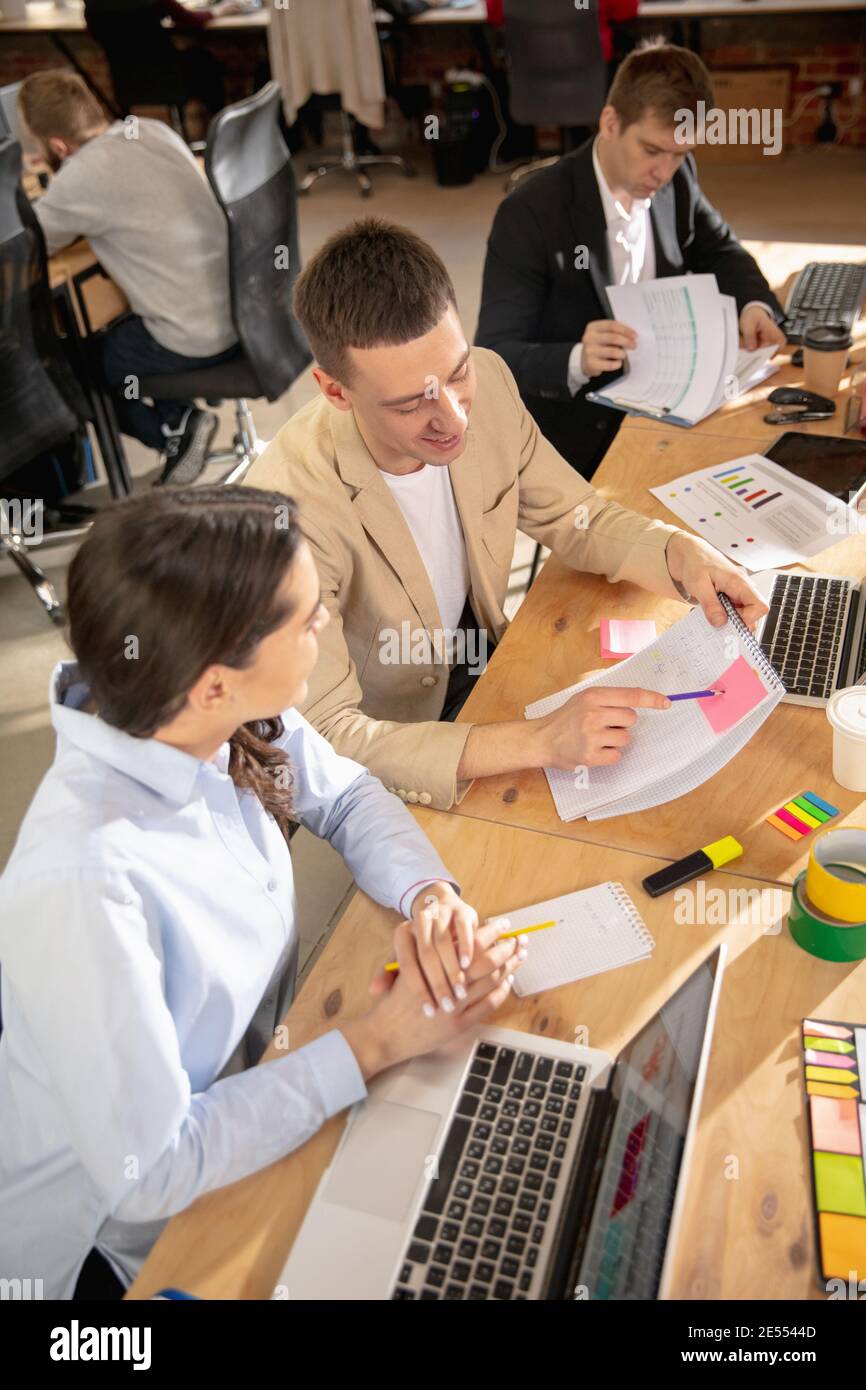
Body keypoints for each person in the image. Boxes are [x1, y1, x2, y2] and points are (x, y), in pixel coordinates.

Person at [0, 485, 524, 1299]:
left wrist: (428, 895)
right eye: (309, 618)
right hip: (121, 1251)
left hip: (260, 1092)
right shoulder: (84, 883)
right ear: (215, 683)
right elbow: (152, 1170)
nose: (327, 627)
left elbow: (347, 796)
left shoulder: (196, 709)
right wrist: (381, 1040)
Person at [244, 217, 768, 813]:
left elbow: (576, 518)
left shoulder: (488, 378)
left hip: (481, 659)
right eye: (412, 403)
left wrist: (679, 553)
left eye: (455, 374)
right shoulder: (285, 519)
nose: (454, 420)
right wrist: (538, 740)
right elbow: (326, 737)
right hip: (399, 736)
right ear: (335, 392)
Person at [475, 41, 787, 476]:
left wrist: (754, 304)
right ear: (610, 122)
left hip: (671, 393)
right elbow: (492, 354)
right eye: (653, 151)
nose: (665, 172)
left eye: (681, 154)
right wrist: (576, 358)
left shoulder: (676, 180)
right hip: (576, 422)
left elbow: (720, 248)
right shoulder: (530, 214)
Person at [18, 70, 238, 484]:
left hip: (194, 338)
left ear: (58, 145)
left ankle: (173, 427)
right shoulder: (150, 130)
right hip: (242, 312)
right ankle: (179, 417)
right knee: (118, 324)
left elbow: (29, 245)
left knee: (83, 363)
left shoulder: (80, 176)